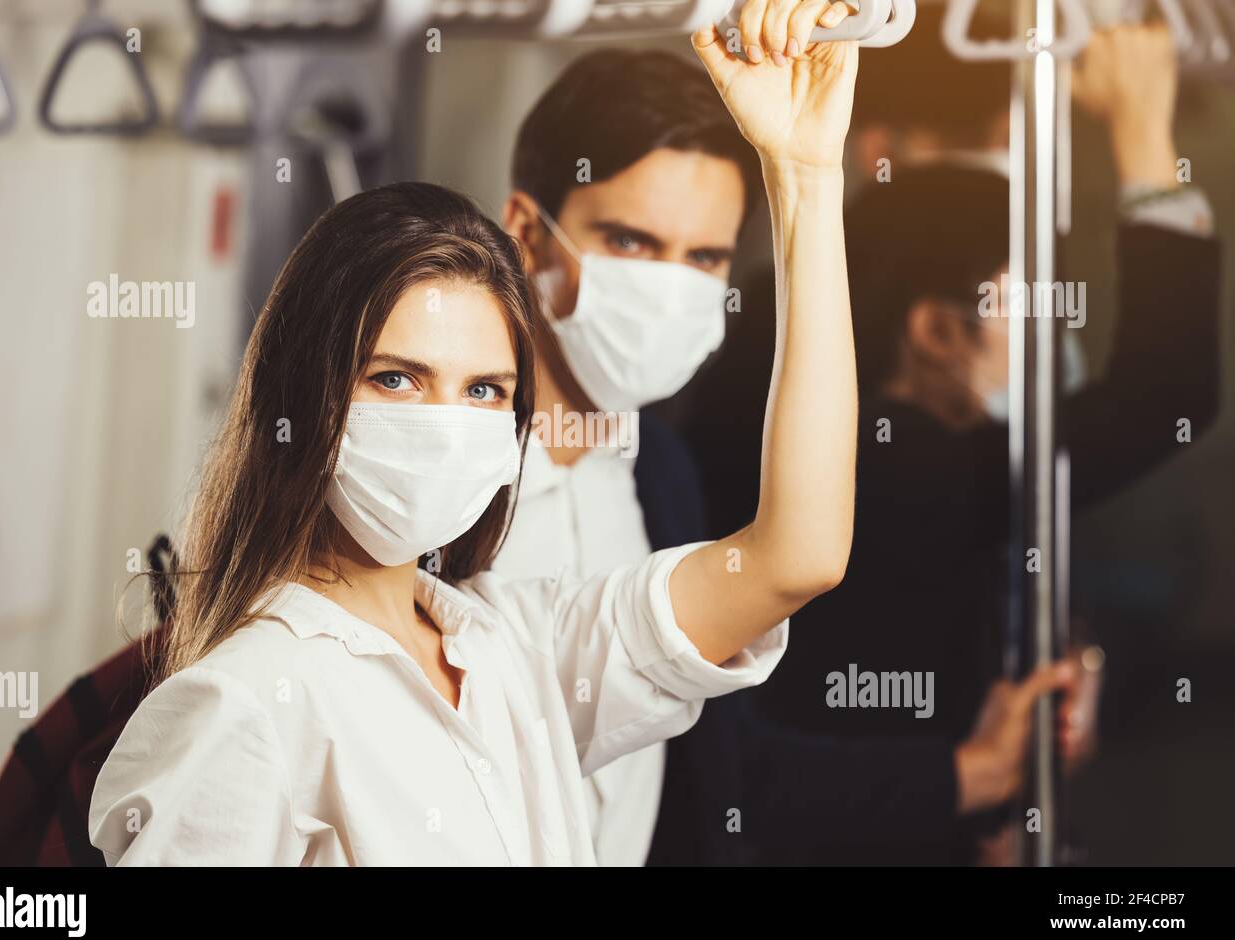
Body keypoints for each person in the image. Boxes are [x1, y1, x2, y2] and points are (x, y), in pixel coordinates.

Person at [87, 0, 863, 866]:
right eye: (395, 377)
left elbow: (796, 555)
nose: (445, 424)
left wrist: (806, 177)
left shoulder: (513, 650)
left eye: (485, 390)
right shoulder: (243, 703)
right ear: (308, 397)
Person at [497, 44, 1082, 867]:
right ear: (528, 234)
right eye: (630, 241)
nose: (670, 287)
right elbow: (796, 557)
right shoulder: (442, 478)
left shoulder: (659, 469)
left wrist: (969, 773)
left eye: (704, 258)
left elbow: (724, 762)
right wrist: (807, 179)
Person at [688, 23, 1223, 863]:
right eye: (1025, 307)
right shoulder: (903, 468)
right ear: (938, 330)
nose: (1049, 339)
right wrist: (1143, 133)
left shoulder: (781, 359)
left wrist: (1061, 654)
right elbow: (1166, 393)